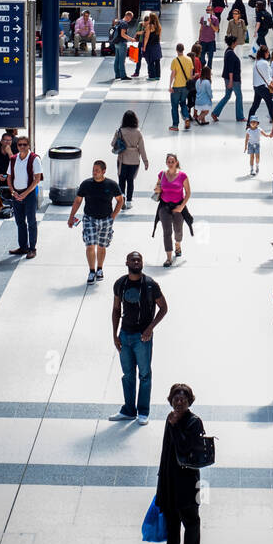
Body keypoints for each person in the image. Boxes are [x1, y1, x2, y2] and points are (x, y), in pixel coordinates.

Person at [110, 251, 167, 425]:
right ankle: (128, 410)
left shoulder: (150, 285)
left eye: (139, 259)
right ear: (126, 262)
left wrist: (150, 328)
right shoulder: (120, 284)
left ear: (142, 263)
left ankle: (143, 412)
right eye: (133, 259)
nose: (136, 262)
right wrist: (115, 335)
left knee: (144, 375)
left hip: (142, 338)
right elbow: (116, 309)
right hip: (125, 336)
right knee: (127, 375)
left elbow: (164, 308)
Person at [155, 384, 207, 544]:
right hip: (169, 478)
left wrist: (175, 426)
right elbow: (166, 450)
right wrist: (161, 476)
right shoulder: (170, 419)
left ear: (189, 401)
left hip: (187, 480)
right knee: (171, 516)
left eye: (183, 400)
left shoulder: (194, 422)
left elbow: (185, 448)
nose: (178, 403)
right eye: (175, 399)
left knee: (190, 519)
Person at [68, 159, 123, 283]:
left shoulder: (111, 185)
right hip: (89, 219)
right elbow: (78, 201)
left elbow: (120, 200)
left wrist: (113, 216)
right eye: (93, 170)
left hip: (106, 219)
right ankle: (92, 271)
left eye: (97, 171)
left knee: (102, 246)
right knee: (90, 245)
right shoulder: (86, 184)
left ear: (103, 171)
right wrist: (71, 216)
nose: (94, 172)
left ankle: (99, 269)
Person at [8, 134, 43, 260]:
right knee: (20, 222)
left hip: (29, 195)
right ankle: (23, 246)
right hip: (16, 194)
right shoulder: (13, 159)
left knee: (31, 222)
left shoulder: (34, 159)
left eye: (24, 144)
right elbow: (9, 177)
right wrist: (13, 192)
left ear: (29, 146)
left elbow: (37, 179)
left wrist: (26, 193)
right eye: (19, 144)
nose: (22, 147)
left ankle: (32, 248)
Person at [153, 153, 190, 267]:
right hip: (164, 207)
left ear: (176, 163)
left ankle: (177, 244)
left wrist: (182, 206)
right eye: (168, 162)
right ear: (166, 163)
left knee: (178, 230)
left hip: (178, 207)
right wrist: (157, 189)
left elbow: (188, 193)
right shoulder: (162, 175)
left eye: (172, 162)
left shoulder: (183, 176)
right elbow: (156, 187)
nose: (170, 164)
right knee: (167, 232)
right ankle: (168, 258)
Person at [114, 109, 148, 209]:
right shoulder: (138, 132)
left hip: (122, 159)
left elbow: (113, 143)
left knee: (121, 181)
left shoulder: (120, 131)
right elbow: (142, 148)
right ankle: (129, 201)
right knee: (130, 181)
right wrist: (145, 161)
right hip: (134, 160)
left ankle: (121, 201)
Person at [212, 34, 244, 122]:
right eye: (236, 42)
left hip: (229, 78)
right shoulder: (231, 54)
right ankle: (240, 116)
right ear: (233, 43)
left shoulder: (228, 51)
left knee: (227, 96)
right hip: (233, 80)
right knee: (239, 96)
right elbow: (230, 69)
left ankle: (215, 112)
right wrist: (230, 81)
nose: (237, 43)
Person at [168, 43, 194, 132]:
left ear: (176, 50)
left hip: (176, 87)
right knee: (183, 103)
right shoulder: (189, 59)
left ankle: (175, 125)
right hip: (186, 87)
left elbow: (173, 74)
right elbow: (191, 75)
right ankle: (186, 118)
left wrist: (170, 86)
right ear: (183, 49)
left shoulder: (175, 61)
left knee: (174, 106)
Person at [248, 45, 273, 120]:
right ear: (264, 53)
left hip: (256, 87)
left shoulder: (256, 62)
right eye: (267, 52)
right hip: (263, 87)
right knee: (270, 105)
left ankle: (249, 122)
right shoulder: (264, 63)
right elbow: (268, 78)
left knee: (255, 105)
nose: (268, 54)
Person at [111, 10, 135, 79]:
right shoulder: (124, 24)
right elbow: (123, 34)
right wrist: (131, 39)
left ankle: (117, 74)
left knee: (117, 59)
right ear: (128, 16)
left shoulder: (119, 22)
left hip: (116, 42)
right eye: (131, 18)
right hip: (122, 43)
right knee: (122, 60)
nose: (131, 19)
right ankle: (123, 75)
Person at [142, 12, 162, 80]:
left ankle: (152, 76)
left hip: (150, 46)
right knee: (157, 61)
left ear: (151, 18)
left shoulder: (149, 26)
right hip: (157, 45)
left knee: (150, 61)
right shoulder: (159, 26)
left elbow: (146, 38)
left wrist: (144, 46)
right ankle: (157, 76)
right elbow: (159, 37)